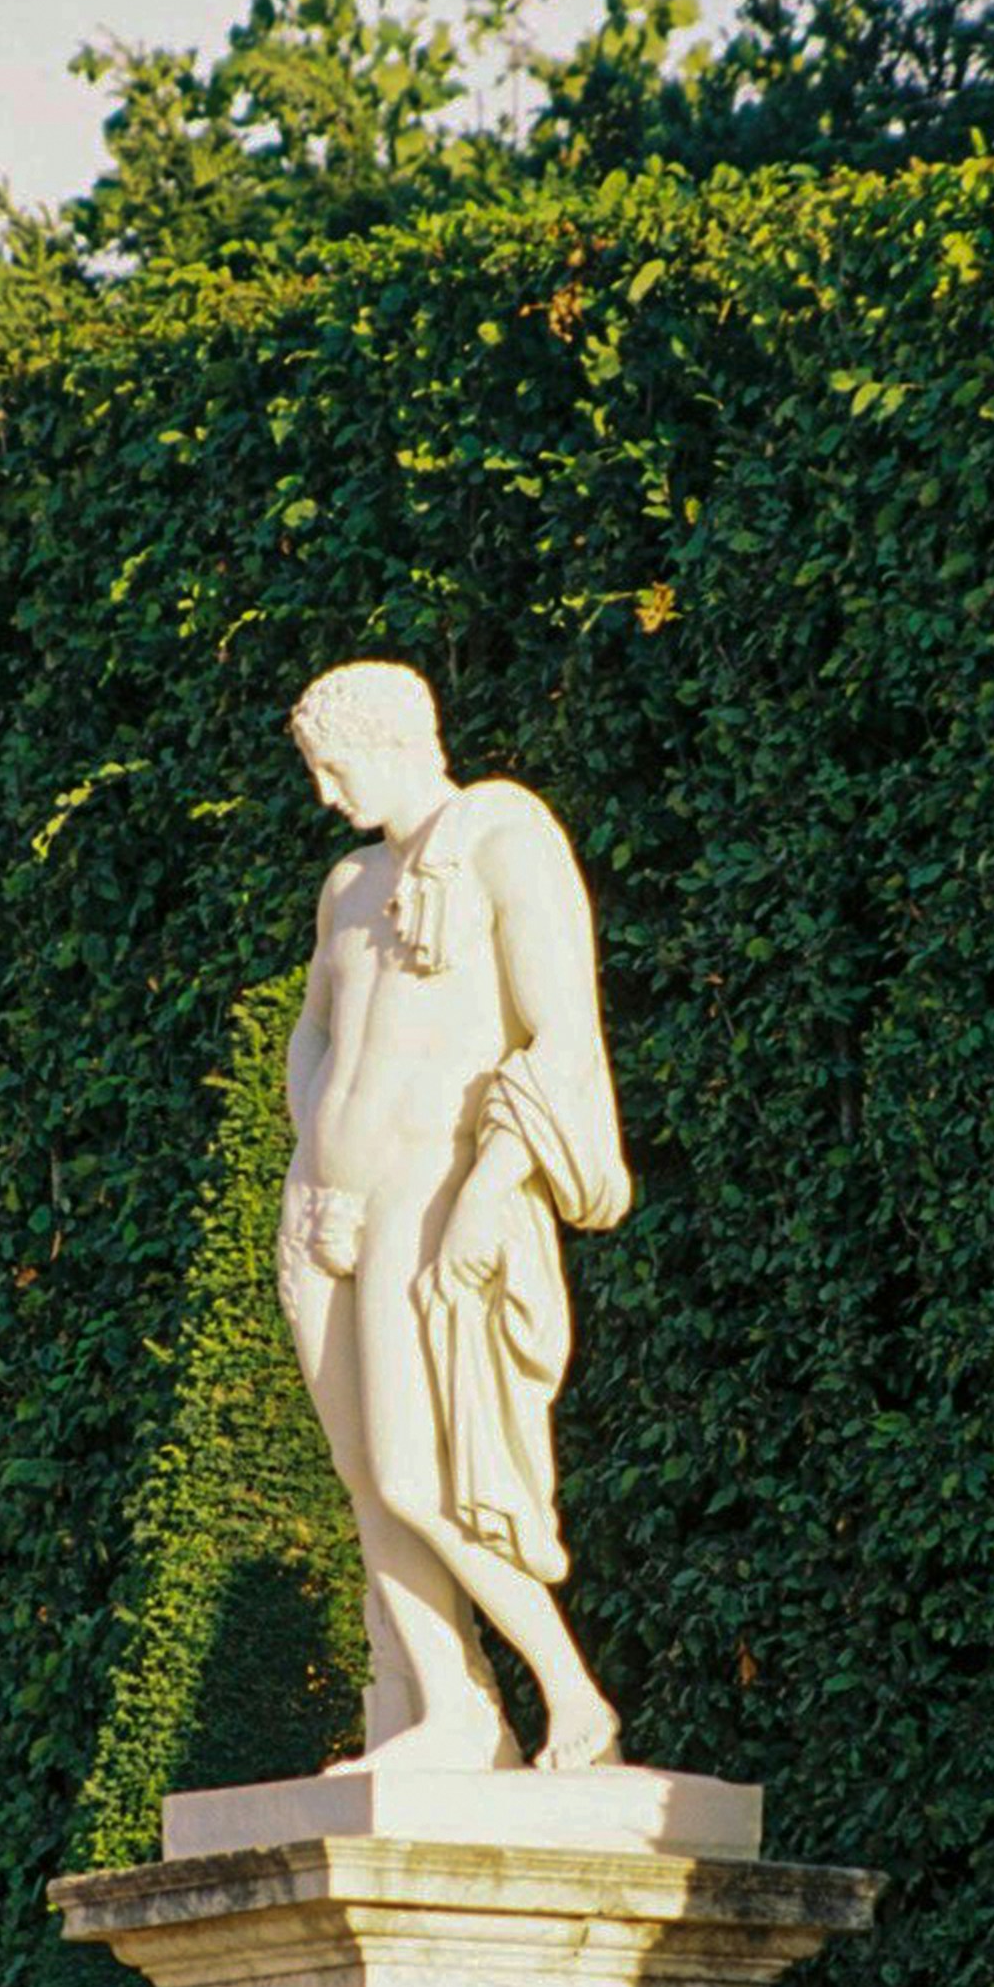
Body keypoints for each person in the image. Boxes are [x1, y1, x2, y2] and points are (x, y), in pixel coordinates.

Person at [279, 660, 631, 1771]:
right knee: (362, 1482)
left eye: (334, 770)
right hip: (324, 1208)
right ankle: (451, 1709)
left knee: (414, 1473)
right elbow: (315, 1033)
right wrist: (314, 1154)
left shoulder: (504, 838)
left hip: (429, 1193)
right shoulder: (346, 888)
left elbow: (561, 1035)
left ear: (391, 741)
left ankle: (570, 1693)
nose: (327, 795)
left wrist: (492, 1186)